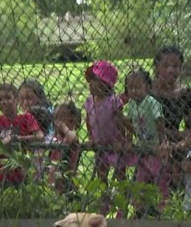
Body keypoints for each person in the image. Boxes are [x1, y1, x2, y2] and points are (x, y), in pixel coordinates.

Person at [150, 45, 191, 202]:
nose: (171, 70)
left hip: (176, 145)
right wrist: (176, 134)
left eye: (176, 66)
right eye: (166, 66)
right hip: (152, 141)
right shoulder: (148, 92)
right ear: (156, 68)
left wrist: (183, 140)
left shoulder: (185, 94)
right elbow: (148, 125)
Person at [83, 60, 129, 215]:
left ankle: (122, 203)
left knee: (120, 174)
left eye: (94, 80)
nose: (90, 84)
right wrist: (90, 137)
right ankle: (104, 201)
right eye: (89, 81)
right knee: (101, 173)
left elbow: (120, 121)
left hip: (114, 142)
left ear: (106, 83)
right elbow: (88, 121)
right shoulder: (89, 102)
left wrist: (121, 140)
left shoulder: (113, 101)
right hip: (99, 144)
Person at [122, 69, 168, 217]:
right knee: (140, 177)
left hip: (155, 145)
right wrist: (129, 140)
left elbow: (159, 121)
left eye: (138, 87)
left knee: (159, 175)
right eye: (130, 87)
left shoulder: (151, 102)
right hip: (142, 147)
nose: (134, 91)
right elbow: (129, 123)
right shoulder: (131, 104)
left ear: (147, 87)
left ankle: (163, 206)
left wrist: (162, 142)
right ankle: (139, 207)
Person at [0, 83, 44, 189]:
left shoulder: (26, 117)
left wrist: (17, 139)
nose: (4, 102)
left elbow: (40, 136)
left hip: (22, 171)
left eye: (8, 98)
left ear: (17, 100)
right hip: (2, 173)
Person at [47, 102, 83, 195]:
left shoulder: (70, 135)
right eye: (56, 118)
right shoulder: (55, 137)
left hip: (67, 177)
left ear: (72, 121)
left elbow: (74, 139)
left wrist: (64, 127)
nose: (58, 122)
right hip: (53, 177)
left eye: (62, 118)